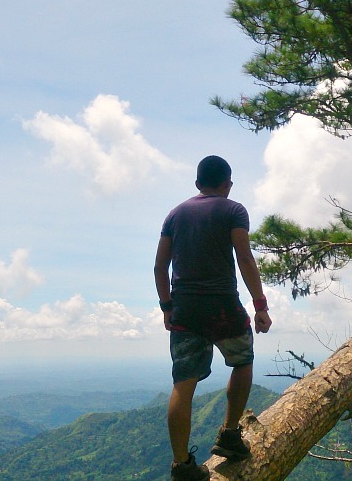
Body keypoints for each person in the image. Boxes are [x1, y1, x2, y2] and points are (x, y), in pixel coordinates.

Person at [155, 155, 273, 481]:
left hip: (185, 310)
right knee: (243, 360)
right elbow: (245, 257)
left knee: (183, 384)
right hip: (222, 306)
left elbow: (159, 267)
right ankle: (230, 434)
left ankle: (181, 466)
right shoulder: (234, 210)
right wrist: (260, 305)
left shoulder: (174, 215)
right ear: (228, 184)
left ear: (197, 184)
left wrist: (167, 307)